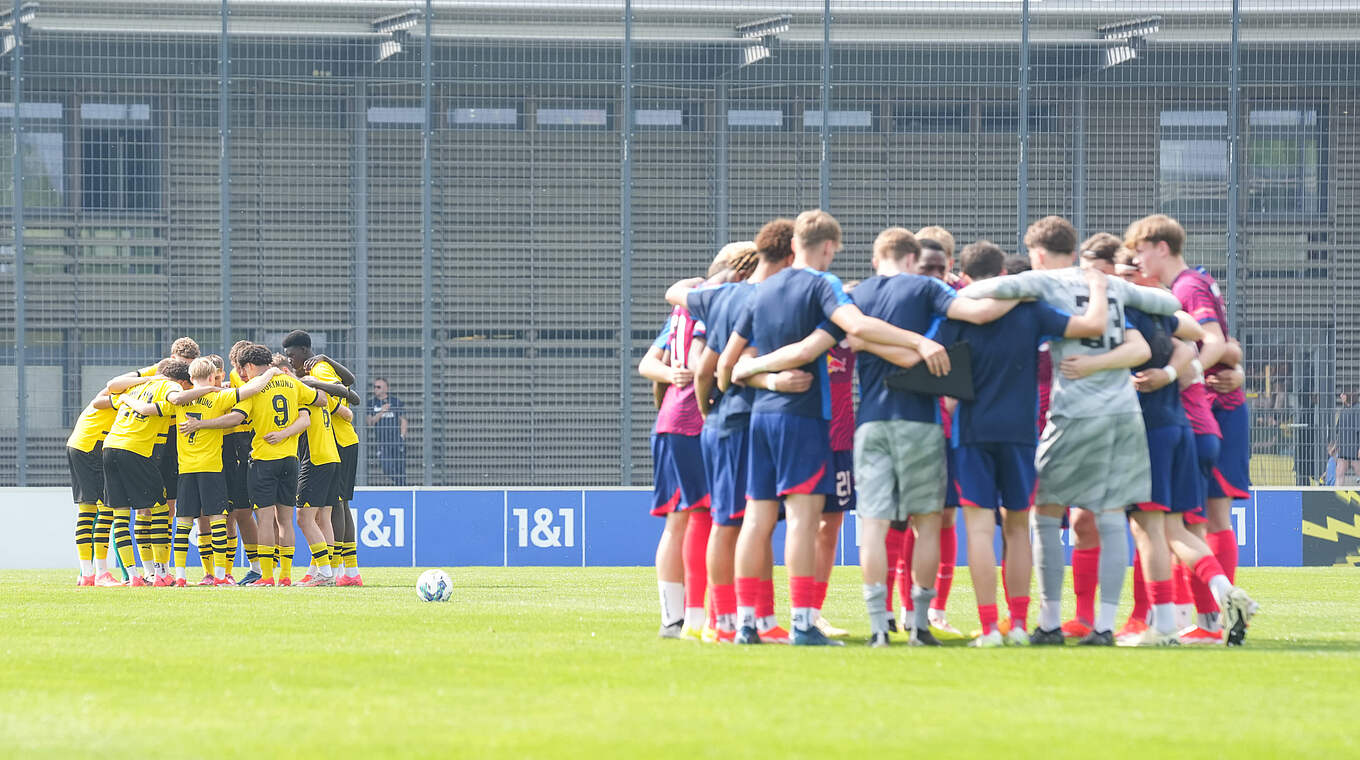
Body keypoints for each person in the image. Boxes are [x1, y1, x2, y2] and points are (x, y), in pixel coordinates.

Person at [730, 225, 1015, 645]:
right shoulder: (922, 289)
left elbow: (841, 337)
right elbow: (976, 314)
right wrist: (1027, 288)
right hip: (917, 420)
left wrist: (754, 372)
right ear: (913, 258)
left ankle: (873, 626)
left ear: (875, 258)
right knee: (926, 524)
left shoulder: (850, 294)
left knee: (870, 526)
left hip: (863, 421)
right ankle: (916, 624)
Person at [960, 215, 1183, 646]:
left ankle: (1049, 621)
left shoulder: (1044, 282)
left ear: (1038, 254)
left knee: (1045, 511)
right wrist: (1117, 287)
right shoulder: (1109, 283)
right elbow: (1170, 303)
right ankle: (1104, 626)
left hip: (1075, 412)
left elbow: (978, 291)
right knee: (1111, 515)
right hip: (1124, 412)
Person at [934, 241, 1109, 647]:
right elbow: (1090, 326)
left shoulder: (957, 310)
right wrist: (1100, 288)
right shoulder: (1030, 310)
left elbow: (933, 361)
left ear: (965, 273)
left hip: (971, 431)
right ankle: (1016, 624)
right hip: (1020, 434)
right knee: (1017, 528)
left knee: (980, 530)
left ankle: (988, 628)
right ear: (1004, 273)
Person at [665, 235, 795, 644]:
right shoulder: (751, 298)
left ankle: (749, 619)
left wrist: (709, 409)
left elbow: (704, 363)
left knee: (748, 523)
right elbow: (710, 366)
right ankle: (725, 620)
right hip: (739, 422)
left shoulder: (719, 297)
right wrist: (715, 407)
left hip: (736, 421)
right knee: (730, 521)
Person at [1126, 214, 1249, 588]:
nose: (1137, 261)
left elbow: (1213, 341)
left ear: (1162, 248)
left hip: (1215, 409)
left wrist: (1183, 373)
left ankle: (1214, 611)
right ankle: (1204, 611)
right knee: (1193, 519)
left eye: (1141, 251)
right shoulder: (1193, 282)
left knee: (1203, 518)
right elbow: (1228, 346)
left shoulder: (1187, 286)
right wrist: (1235, 367)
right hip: (1213, 408)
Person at [122, 357, 279, 586]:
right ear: (212, 377)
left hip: (186, 470)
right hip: (212, 468)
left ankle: (181, 576)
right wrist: (272, 372)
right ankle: (219, 575)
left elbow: (146, 409)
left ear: (191, 378)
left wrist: (126, 398)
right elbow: (253, 389)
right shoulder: (218, 397)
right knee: (218, 520)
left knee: (184, 523)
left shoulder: (179, 401)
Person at [182, 344, 328, 587]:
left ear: (249, 366)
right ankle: (285, 576)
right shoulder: (291, 383)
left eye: (244, 369)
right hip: (290, 459)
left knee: (265, 519)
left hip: (264, 459)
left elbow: (236, 418)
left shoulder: (253, 389)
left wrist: (201, 424)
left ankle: (267, 576)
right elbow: (320, 400)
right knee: (285, 520)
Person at [637, 291, 711, 639]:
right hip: (692, 422)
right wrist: (674, 374)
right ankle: (686, 616)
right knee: (695, 519)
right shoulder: (708, 305)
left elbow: (649, 364)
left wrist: (669, 373)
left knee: (682, 521)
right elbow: (649, 364)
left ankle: (676, 618)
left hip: (673, 421)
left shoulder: (683, 311)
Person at [282, 330, 365, 586]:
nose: (290, 360)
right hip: (333, 442)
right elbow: (350, 385)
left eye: (292, 355)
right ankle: (327, 568)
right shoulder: (314, 370)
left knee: (336, 507)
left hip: (339, 442)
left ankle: (343, 570)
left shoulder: (317, 370)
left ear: (304, 351)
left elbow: (346, 393)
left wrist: (314, 382)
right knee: (326, 511)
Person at [103, 359, 193, 586]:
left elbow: (110, 390)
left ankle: (133, 576)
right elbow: (176, 398)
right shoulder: (171, 386)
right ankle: (161, 573)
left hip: (110, 447)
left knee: (120, 514)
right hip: (135, 450)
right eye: (189, 384)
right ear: (182, 381)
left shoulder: (137, 387)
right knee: (160, 509)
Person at [67, 381, 147, 586]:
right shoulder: (126, 397)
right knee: (106, 511)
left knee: (88, 511)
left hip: (80, 445)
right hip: (92, 448)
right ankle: (100, 573)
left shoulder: (115, 394)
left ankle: (87, 574)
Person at [367, 377, 407, 486]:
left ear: (386, 388)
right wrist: (381, 412)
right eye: (374, 387)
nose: (375, 389)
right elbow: (370, 422)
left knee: (400, 469)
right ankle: (399, 484)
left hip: (396, 440)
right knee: (387, 468)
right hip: (382, 442)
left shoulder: (395, 402)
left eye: (378, 387)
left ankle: (402, 487)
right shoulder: (371, 403)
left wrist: (402, 436)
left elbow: (403, 420)